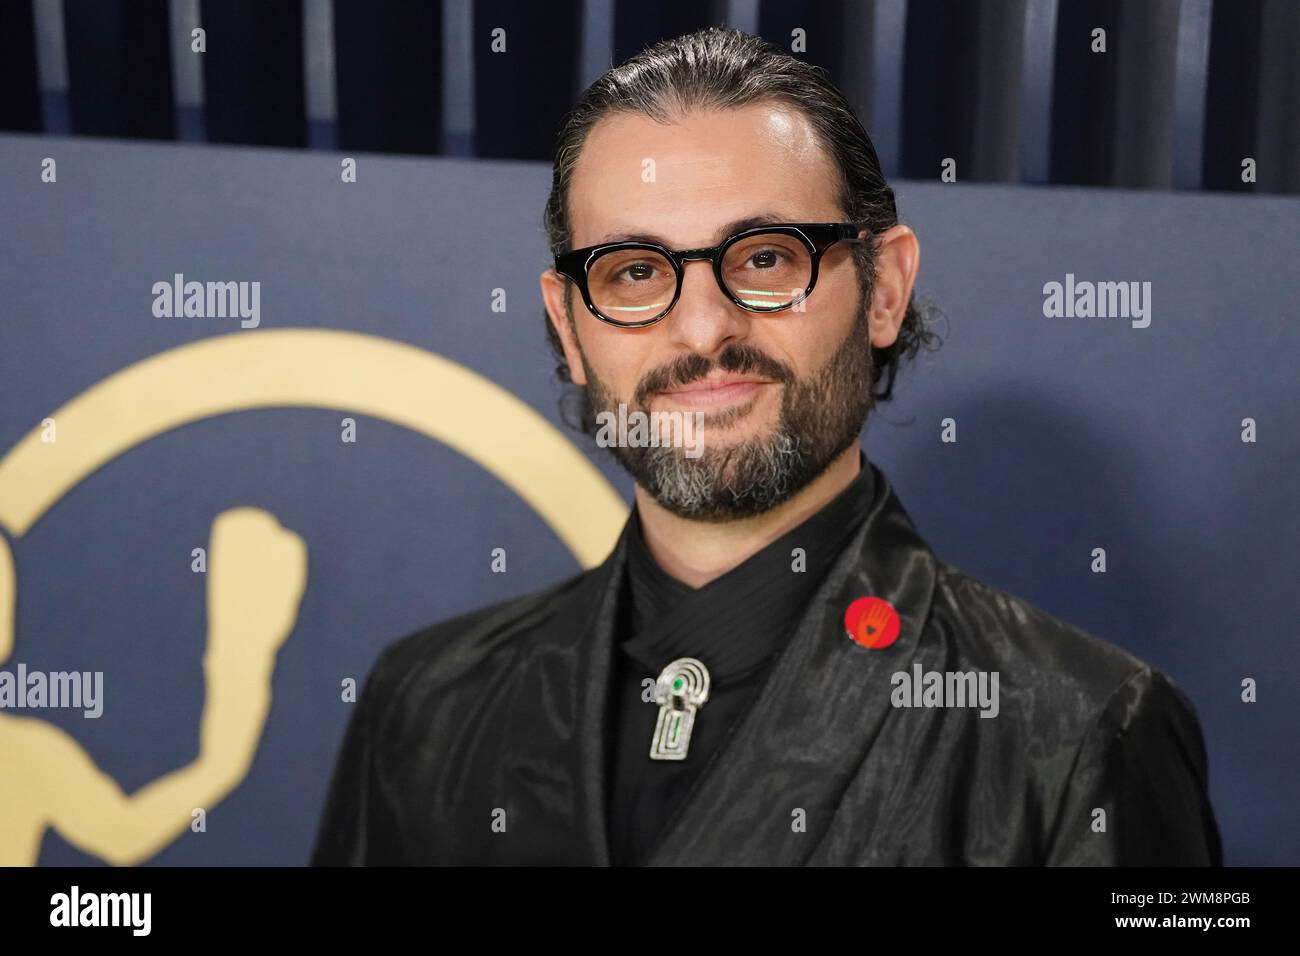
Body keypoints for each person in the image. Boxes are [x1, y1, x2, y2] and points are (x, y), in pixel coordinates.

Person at [310, 27, 1221, 866]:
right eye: (634, 272)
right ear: (570, 324)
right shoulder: (426, 703)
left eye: (766, 258)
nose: (702, 329)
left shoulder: (1081, 729)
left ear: (883, 289)